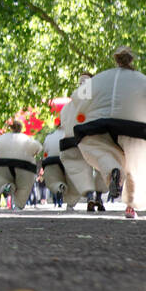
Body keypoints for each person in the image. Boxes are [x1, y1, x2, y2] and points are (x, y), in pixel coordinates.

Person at [72, 46, 146, 219]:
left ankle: (113, 169)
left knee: (97, 148)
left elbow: (78, 97)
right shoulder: (145, 81)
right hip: (137, 126)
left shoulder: (99, 79)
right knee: (137, 168)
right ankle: (131, 205)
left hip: (100, 123)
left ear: (116, 60)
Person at [58, 73, 105, 211]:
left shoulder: (67, 107)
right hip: (93, 139)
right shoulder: (99, 101)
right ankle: (99, 196)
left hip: (71, 141)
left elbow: (64, 125)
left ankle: (89, 194)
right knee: (103, 165)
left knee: (79, 169)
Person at [0, 120, 42, 210]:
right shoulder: (28, 139)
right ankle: (18, 205)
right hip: (24, 166)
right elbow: (38, 148)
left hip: (1, 164)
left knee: (1, 179)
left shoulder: (0, 139)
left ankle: (5, 186)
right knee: (24, 187)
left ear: (11, 128)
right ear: (21, 128)